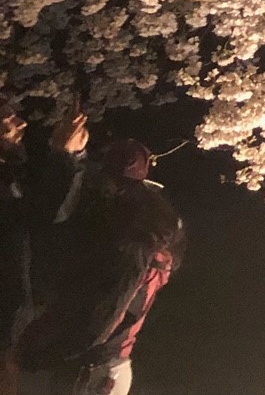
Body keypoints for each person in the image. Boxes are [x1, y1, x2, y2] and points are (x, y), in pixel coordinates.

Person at [15, 141, 182, 395]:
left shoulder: (131, 242)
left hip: (93, 371)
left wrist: (32, 356)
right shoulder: (157, 234)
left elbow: (103, 317)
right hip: (107, 365)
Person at [1, 109, 88, 395]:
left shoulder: (11, 174)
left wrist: (67, 157)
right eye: (6, 117)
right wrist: (64, 156)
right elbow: (44, 212)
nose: (21, 122)